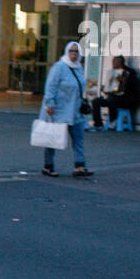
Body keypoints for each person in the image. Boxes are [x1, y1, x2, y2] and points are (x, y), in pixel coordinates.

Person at [39, 40, 93, 178]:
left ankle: (79, 166)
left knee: (78, 138)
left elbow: (80, 87)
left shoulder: (79, 68)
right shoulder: (59, 67)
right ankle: (48, 166)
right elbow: (51, 86)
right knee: (54, 137)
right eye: (71, 51)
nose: (74, 54)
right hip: (60, 110)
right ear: (66, 52)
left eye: (76, 51)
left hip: (76, 110)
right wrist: (49, 104)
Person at [90, 55, 140, 128]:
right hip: (113, 97)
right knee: (96, 101)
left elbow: (134, 85)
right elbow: (111, 87)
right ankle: (98, 123)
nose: (112, 63)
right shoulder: (112, 72)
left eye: (114, 62)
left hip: (126, 99)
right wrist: (105, 88)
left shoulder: (129, 72)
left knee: (112, 99)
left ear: (120, 63)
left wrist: (124, 81)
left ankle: (113, 120)